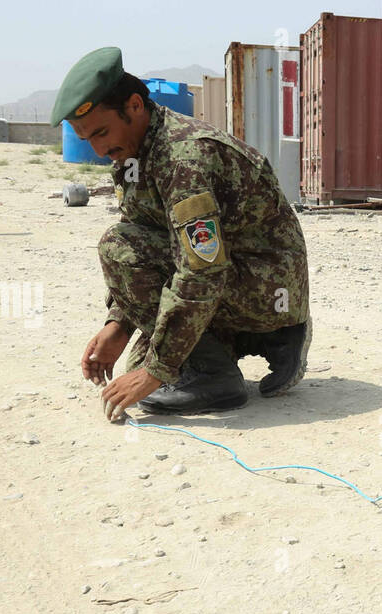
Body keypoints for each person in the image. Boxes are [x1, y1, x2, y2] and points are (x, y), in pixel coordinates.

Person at [50, 47, 311, 419]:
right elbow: (145, 239)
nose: (100, 148)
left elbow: (203, 269)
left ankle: (241, 358)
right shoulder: (132, 155)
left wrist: (157, 370)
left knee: (117, 252)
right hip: (227, 274)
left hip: (267, 287)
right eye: (88, 138)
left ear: (135, 106)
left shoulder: (184, 158)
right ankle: (232, 344)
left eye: (102, 132)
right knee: (138, 364)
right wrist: (118, 325)